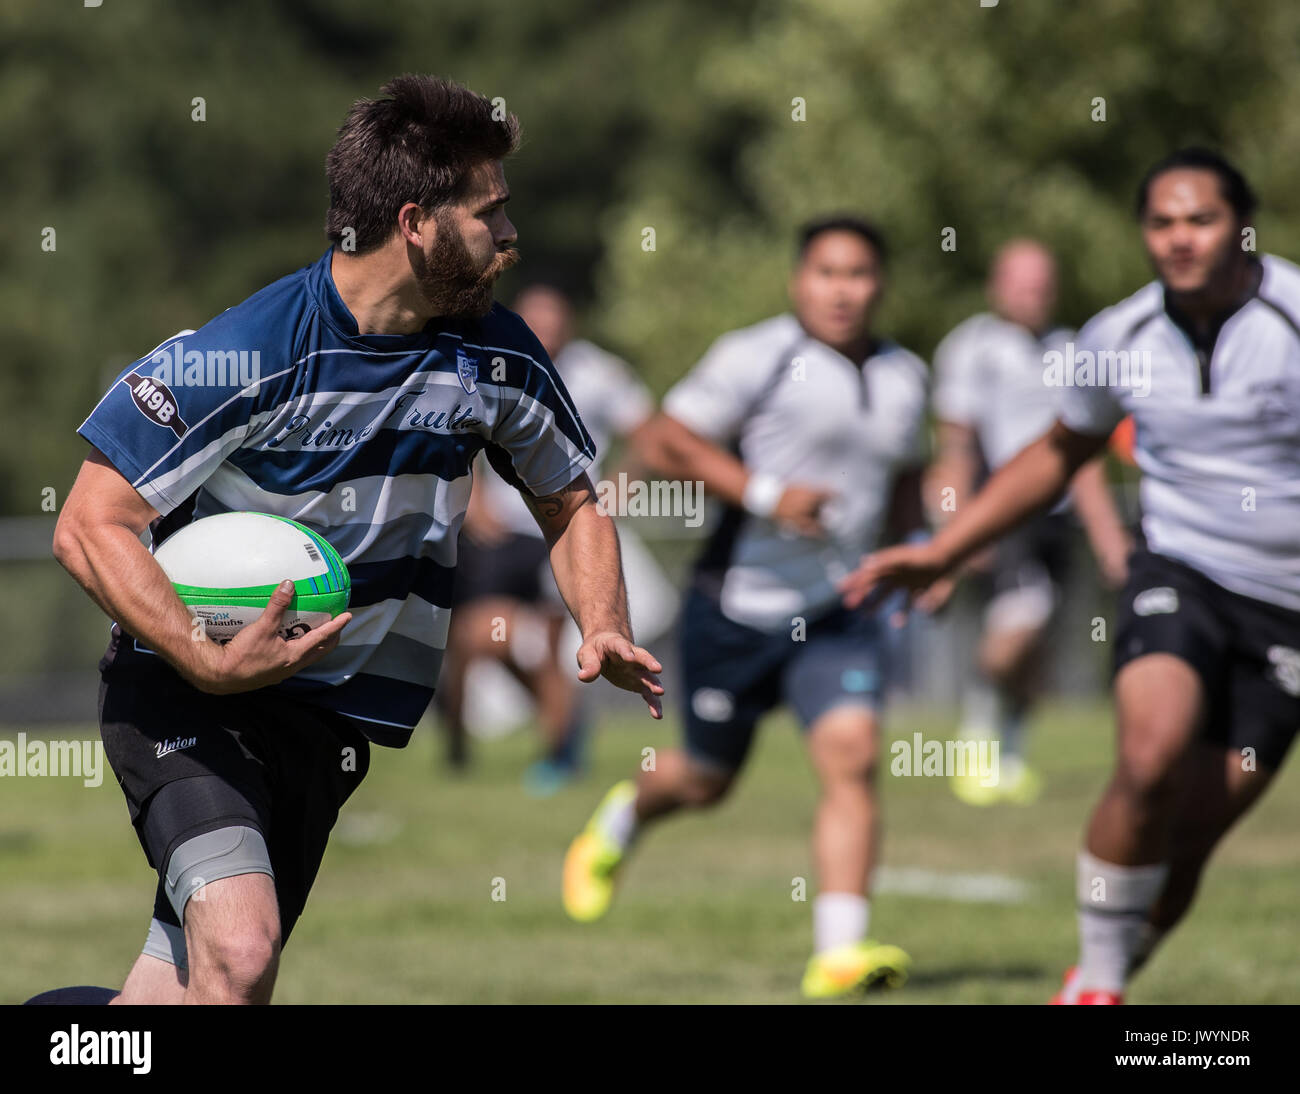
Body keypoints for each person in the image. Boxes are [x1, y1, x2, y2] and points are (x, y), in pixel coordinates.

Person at [51, 75, 663, 1005]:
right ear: (415, 222)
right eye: (488, 213)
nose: (510, 236)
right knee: (243, 954)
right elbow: (90, 521)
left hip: (327, 718)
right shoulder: (257, 349)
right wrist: (201, 658)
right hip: (185, 692)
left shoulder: (498, 355)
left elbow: (569, 499)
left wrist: (603, 621)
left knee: (177, 999)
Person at [843, 149, 1300, 1004]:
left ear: (1241, 226)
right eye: (1161, 222)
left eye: (1199, 219)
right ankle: (1094, 986)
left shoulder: (1293, 316)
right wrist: (942, 548)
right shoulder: (1118, 336)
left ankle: (1117, 965)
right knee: (1150, 754)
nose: (1179, 238)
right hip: (1182, 571)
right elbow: (1058, 454)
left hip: (1288, 612)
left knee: (1197, 831)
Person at [563, 215, 942, 999]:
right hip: (737, 608)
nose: (843, 291)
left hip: (842, 611)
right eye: (827, 274)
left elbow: (907, 475)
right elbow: (667, 438)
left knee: (855, 760)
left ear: (880, 285)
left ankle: (838, 953)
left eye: (860, 275)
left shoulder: (908, 373)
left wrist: (922, 550)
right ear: (799, 280)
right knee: (705, 780)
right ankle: (624, 819)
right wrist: (767, 497)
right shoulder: (757, 356)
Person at [929, 239, 1131, 804]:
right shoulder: (971, 347)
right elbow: (955, 449)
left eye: (1042, 284)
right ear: (997, 286)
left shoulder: (1072, 348)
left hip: (1056, 522)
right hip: (1002, 511)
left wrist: (1110, 540)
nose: (1033, 295)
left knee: (1037, 644)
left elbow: (1083, 461)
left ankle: (1009, 756)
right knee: (1019, 625)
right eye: (1021, 283)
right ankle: (974, 743)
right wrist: (958, 528)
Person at [439, 283, 656, 793]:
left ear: (570, 325)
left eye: (556, 321)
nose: (547, 332)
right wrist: (475, 503)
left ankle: (562, 752)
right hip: (503, 537)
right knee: (476, 640)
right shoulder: (493, 361)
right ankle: (459, 746)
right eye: (537, 321)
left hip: (563, 531)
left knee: (550, 648)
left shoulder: (598, 372)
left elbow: (650, 436)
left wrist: (613, 497)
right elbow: (460, 435)